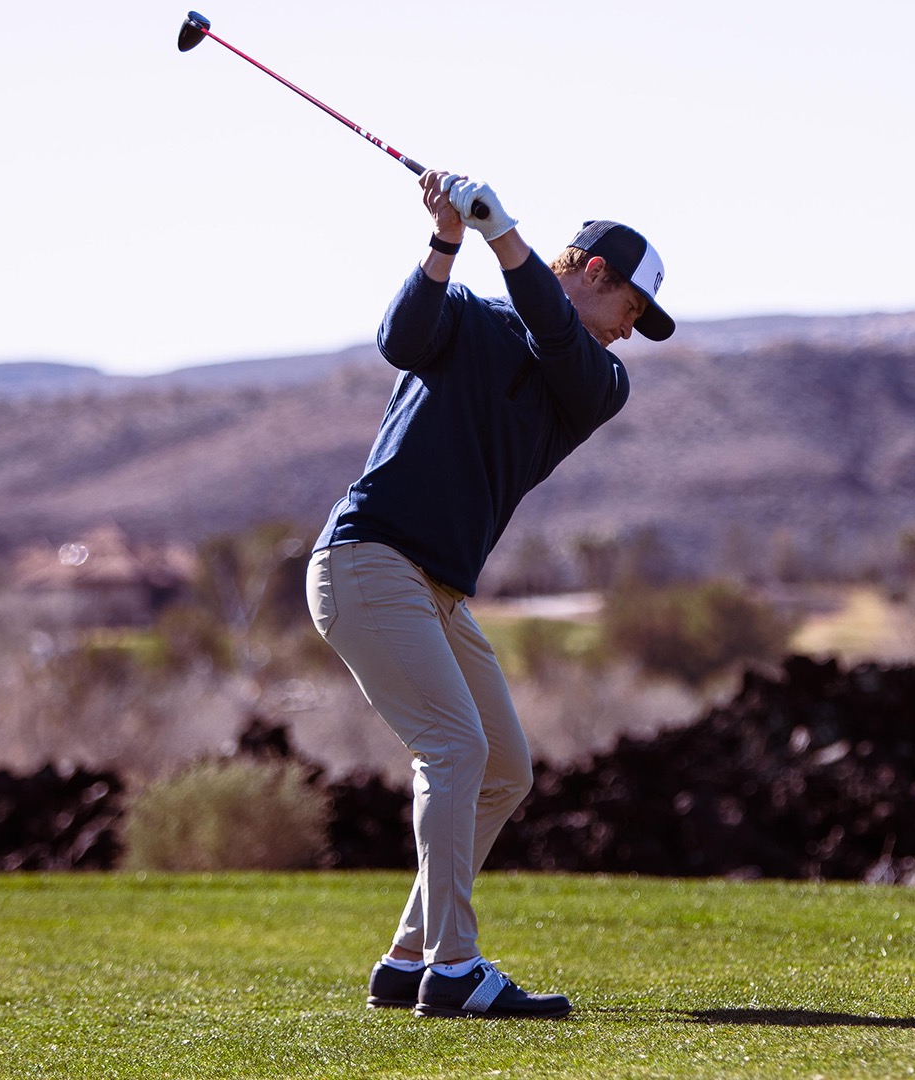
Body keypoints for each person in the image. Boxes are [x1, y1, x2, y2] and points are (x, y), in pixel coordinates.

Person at [305, 170, 673, 1019]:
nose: (630, 333)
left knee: (503, 767)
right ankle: (456, 968)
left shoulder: (596, 382)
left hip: (436, 590)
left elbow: (552, 329)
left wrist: (502, 234)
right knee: (453, 750)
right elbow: (401, 338)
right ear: (590, 272)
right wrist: (444, 240)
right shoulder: (467, 314)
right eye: (630, 311)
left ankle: (407, 960)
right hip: (368, 561)